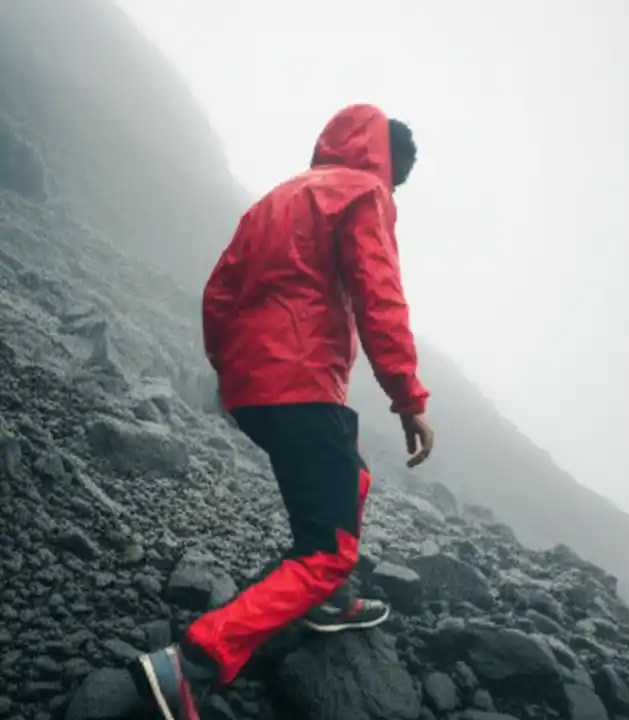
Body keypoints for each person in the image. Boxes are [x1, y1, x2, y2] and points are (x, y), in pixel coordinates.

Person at [130, 104, 435, 720]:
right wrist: (409, 398)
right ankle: (192, 664)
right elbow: (379, 297)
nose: (393, 191)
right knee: (329, 549)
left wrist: (230, 374)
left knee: (349, 475)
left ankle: (326, 601)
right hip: (302, 384)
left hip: (254, 387)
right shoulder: (362, 194)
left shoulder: (277, 198)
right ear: (385, 163)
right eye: (396, 180)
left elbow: (219, 292)